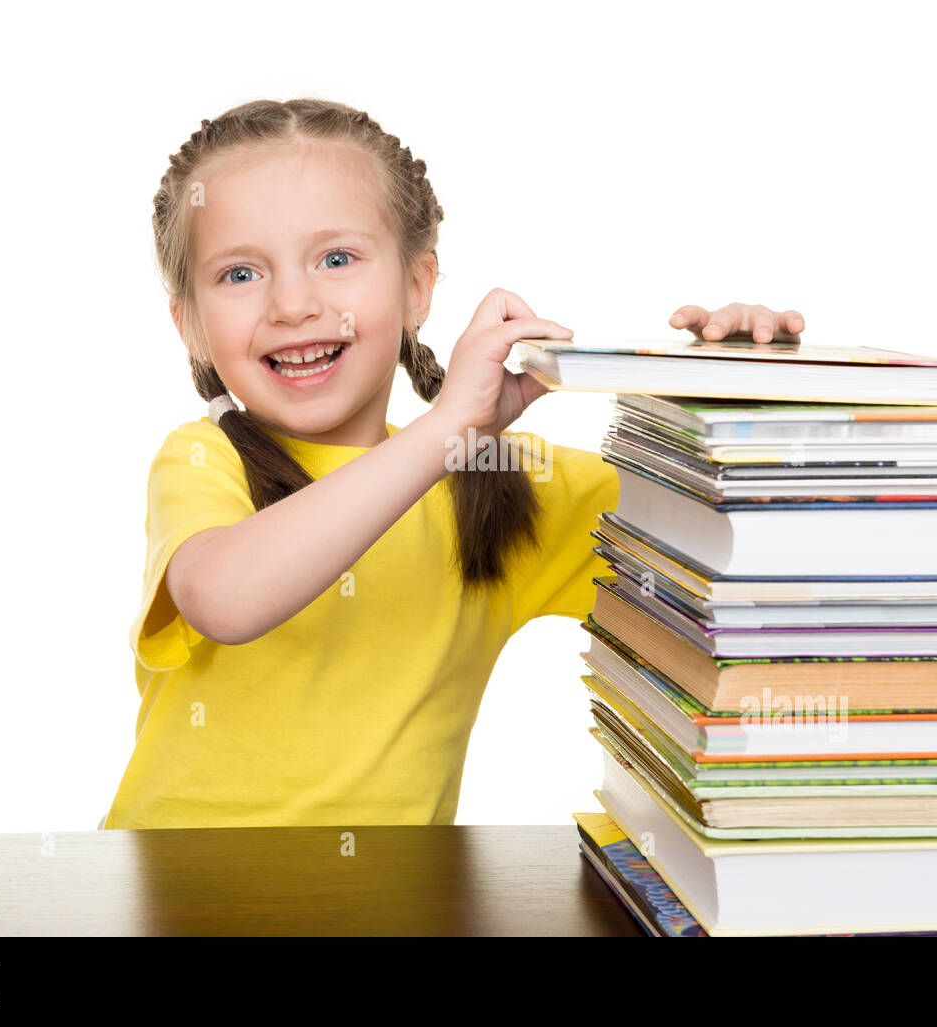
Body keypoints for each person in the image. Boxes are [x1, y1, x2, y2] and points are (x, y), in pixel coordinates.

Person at [101, 98, 806, 829]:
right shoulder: (201, 458)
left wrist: (746, 402)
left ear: (416, 289)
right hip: (173, 901)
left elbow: (744, 559)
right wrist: (444, 431)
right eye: (240, 274)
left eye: (336, 259)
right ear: (189, 323)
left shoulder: (497, 481)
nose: (293, 304)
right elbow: (225, 600)